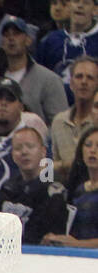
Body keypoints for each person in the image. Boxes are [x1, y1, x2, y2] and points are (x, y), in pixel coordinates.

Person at [0, 77, 50, 209]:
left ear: (21, 106)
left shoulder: (33, 139)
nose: (3, 103)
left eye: (10, 99)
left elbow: (47, 180)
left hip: (8, 213)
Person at [0, 15, 70, 125]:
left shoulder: (49, 80)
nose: (11, 38)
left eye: (16, 34)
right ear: (1, 41)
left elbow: (61, 125)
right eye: (6, 35)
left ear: (28, 40)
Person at [0, 126, 70, 244]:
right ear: (12, 155)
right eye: (18, 148)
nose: (24, 152)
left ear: (43, 151)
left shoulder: (54, 190)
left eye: (30, 146)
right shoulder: (7, 188)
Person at [45, 124, 98, 245]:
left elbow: (76, 242)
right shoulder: (79, 189)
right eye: (88, 145)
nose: (92, 150)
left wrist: (78, 245)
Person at [51, 54, 98, 182]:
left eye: (90, 78)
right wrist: (64, 165)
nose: (84, 82)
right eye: (79, 76)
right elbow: (49, 168)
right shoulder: (58, 121)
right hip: (65, 192)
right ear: (71, 83)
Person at [37, 0, 98, 82]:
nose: (80, 6)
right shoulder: (50, 40)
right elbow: (38, 77)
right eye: (76, 1)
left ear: (95, 10)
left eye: (86, 2)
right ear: (69, 7)